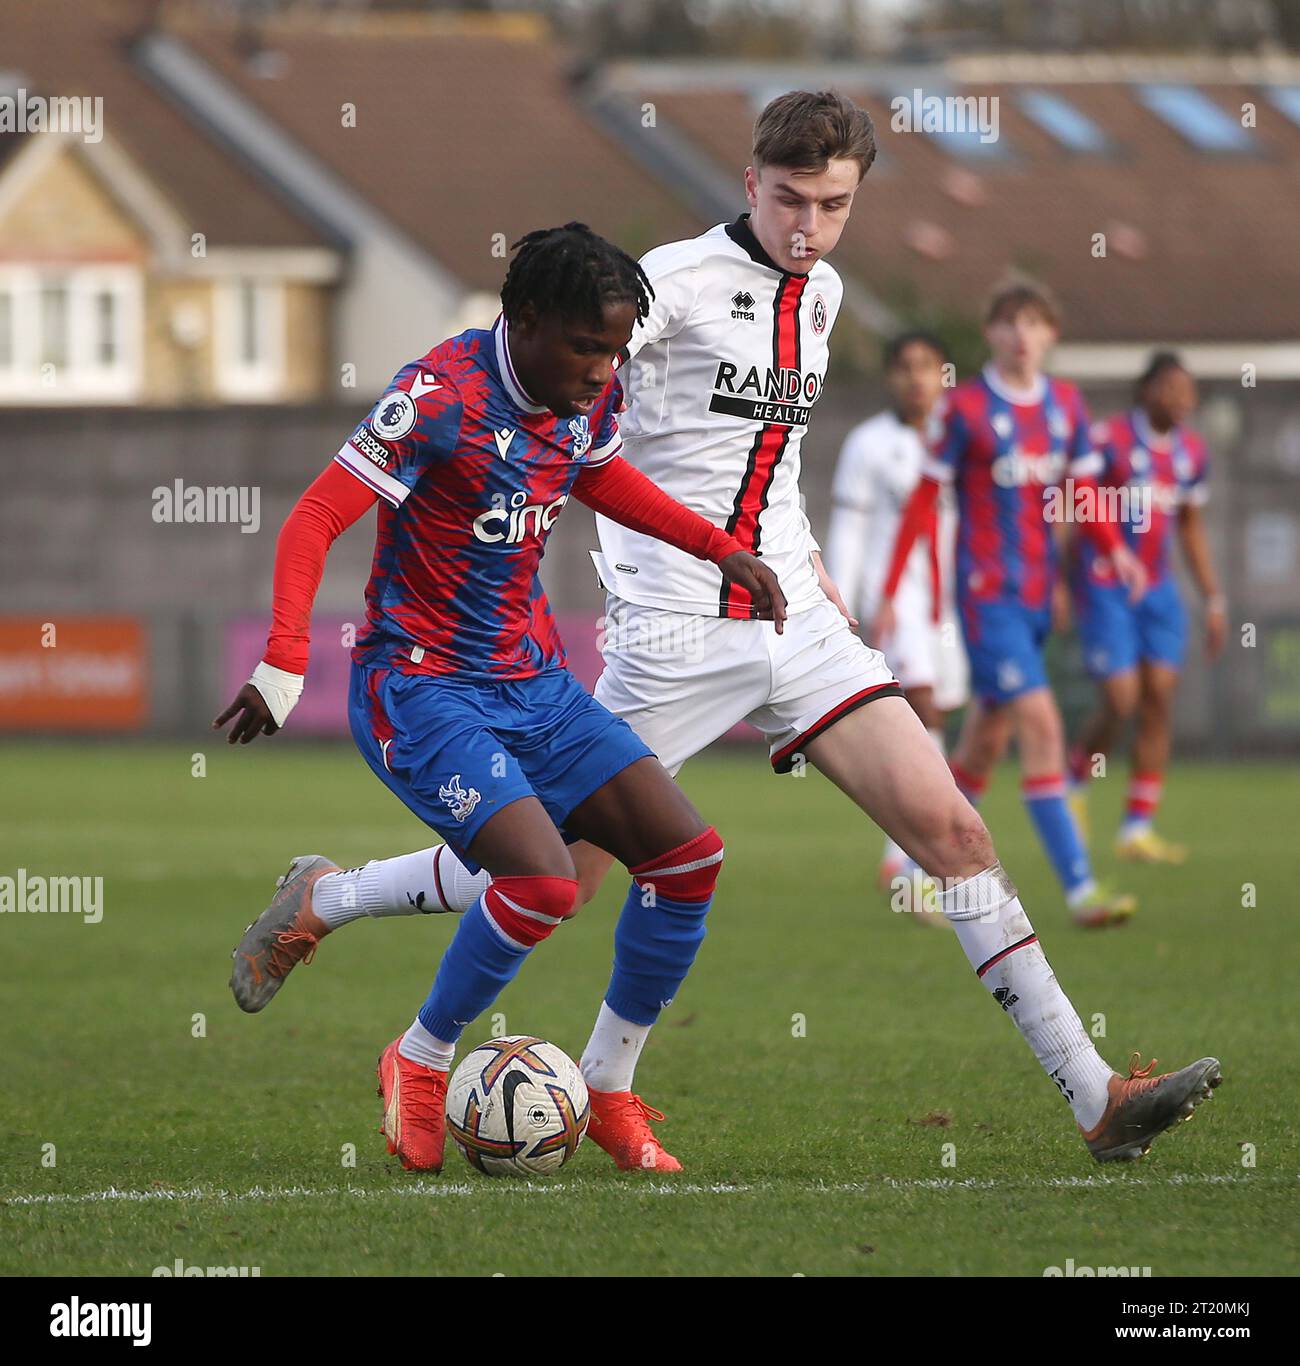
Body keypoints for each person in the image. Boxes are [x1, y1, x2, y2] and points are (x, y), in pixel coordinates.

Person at [234, 95, 1221, 1170]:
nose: (807, 224)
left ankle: (1094, 1096)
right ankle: (330, 901)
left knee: (953, 833)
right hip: (670, 632)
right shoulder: (670, 284)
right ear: (749, 181)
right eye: (789, 197)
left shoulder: (827, 294)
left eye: (833, 204)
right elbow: (576, 372)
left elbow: (771, 471)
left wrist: (817, 585)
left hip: (795, 619)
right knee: (548, 872)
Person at [215, 222, 788, 1173]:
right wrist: (283, 658)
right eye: (585, 347)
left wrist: (720, 547)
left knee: (689, 861)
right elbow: (316, 516)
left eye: (614, 350)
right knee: (544, 881)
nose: (604, 370)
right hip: (423, 687)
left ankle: (607, 1089)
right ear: (521, 320)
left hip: (537, 684)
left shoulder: (580, 398)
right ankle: (421, 1056)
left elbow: (599, 473)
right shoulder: (438, 397)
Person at [876, 278, 1147, 930]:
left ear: (1051, 334)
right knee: (1045, 729)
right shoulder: (965, 408)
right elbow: (922, 500)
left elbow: (1080, 493)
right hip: (986, 598)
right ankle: (1082, 892)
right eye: (1009, 323)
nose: (1022, 335)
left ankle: (914, 875)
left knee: (980, 749)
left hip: (1031, 599)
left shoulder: (1066, 406)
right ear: (992, 333)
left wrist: (1115, 551)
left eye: (1034, 323)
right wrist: (890, 591)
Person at [824, 331, 969, 897]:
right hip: (897, 600)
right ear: (890, 377)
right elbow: (852, 527)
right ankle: (913, 853)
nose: (916, 378)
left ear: (944, 374)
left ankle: (904, 849)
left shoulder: (961, 437)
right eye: (905, 367)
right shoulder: (868, 443)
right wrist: (842, 599)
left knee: (942, 715)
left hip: (952, 601)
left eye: (928, 367)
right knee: (923, 702)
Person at [1067, 353, 1226, 861]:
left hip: (1158, 589)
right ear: (1148, 390)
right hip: (1106, 583)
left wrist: (1214, 598)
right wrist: (1062, 583)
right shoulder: (1109, 439)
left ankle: (1137, 827)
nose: (1184, 398)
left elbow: (1191, 527)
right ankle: (1075, 782)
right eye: (1173, 388)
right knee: (1121, 699)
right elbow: (1077, 504)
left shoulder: (1191, 454)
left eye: (1189, 389)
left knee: (1159, 695)